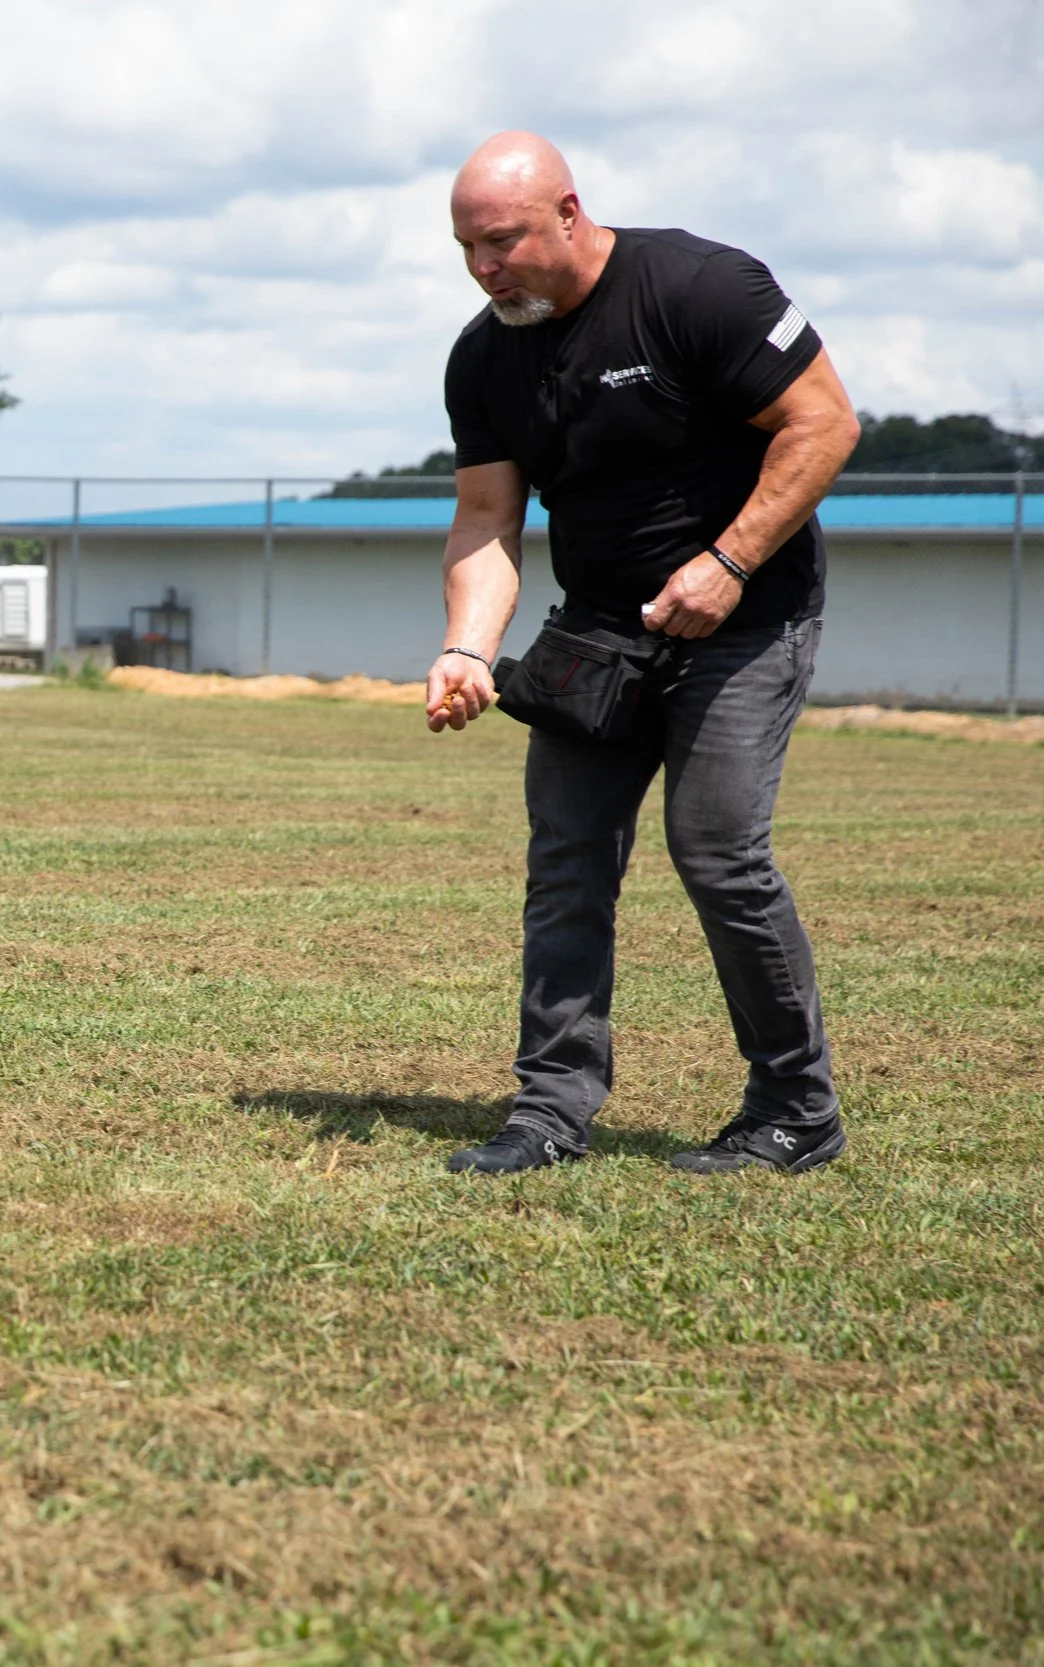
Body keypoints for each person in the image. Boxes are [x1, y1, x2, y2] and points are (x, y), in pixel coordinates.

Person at [424, 131, 859, 1176]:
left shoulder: (698, 287)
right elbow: (487, 517)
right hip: (600, 629)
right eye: (466, 249)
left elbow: (823, 423)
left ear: (568, 213)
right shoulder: (485, 354)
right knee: (566, 860)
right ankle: (549, 1107)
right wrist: (466, 646)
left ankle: (795, 1107)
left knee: (717, 853)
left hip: (746, 618)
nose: (486, 269)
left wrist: (729, 561)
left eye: (503, 242)